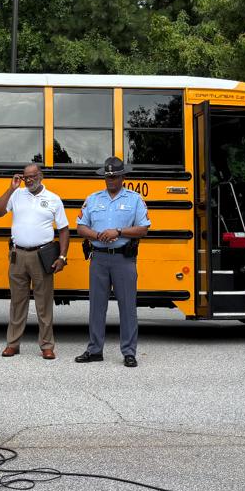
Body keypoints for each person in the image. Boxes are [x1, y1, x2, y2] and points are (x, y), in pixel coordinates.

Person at [74, 156, 150, 365]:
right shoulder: (93, 199)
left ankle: (129, 352)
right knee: (96, 307)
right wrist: (97, 235)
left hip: (123, 259)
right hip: (98, 257)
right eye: (107, 176)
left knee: (127, 307)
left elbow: (143, 228)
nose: (110, 180)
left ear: (122, 177)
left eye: (114, 176)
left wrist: (118, 231)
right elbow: (80, 226)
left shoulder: (134, 199)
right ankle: (95, 349)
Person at [0, 163, 69, 359]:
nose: (29, 179)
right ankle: (13, 344)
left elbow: (64, 229)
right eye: (26, 176)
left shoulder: (53, 199)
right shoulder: (16, 195)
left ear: (41, 176)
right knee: (17, 303)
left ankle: (47, 346)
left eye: (33, 176)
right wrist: (11, 188)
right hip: (18, 255)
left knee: (44, 304)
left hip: (42, 255)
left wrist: (62, 256)